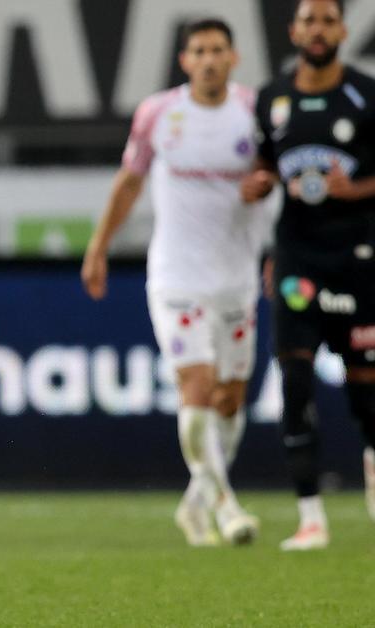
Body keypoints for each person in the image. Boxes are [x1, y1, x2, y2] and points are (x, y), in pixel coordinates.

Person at [82, 19, 264, 546]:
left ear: (234, 58)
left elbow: (276, 182)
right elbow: (130, 182)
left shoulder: (256, 114)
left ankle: (196, 503)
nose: (208, 59)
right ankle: (227, 506)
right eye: (199, 51)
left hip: (237, 278)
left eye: (218, 50)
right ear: (185, 61)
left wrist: (267, 201)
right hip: (176, 275)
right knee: (198, 388)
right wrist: (98, 247)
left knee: (231, 399)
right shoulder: (160, 114)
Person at [244, 0, 375, 551]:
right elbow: (266, 165)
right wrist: (261, 183)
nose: (317, 30)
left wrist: (357, 190)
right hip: (297, 255)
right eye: (308, 20)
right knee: (294, 380)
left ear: (342, 30)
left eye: (327, 20)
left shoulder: (366, 94)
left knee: (365, 391)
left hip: (359, 257)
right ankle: (310, 518)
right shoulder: (271, 98)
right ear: (294, 30)